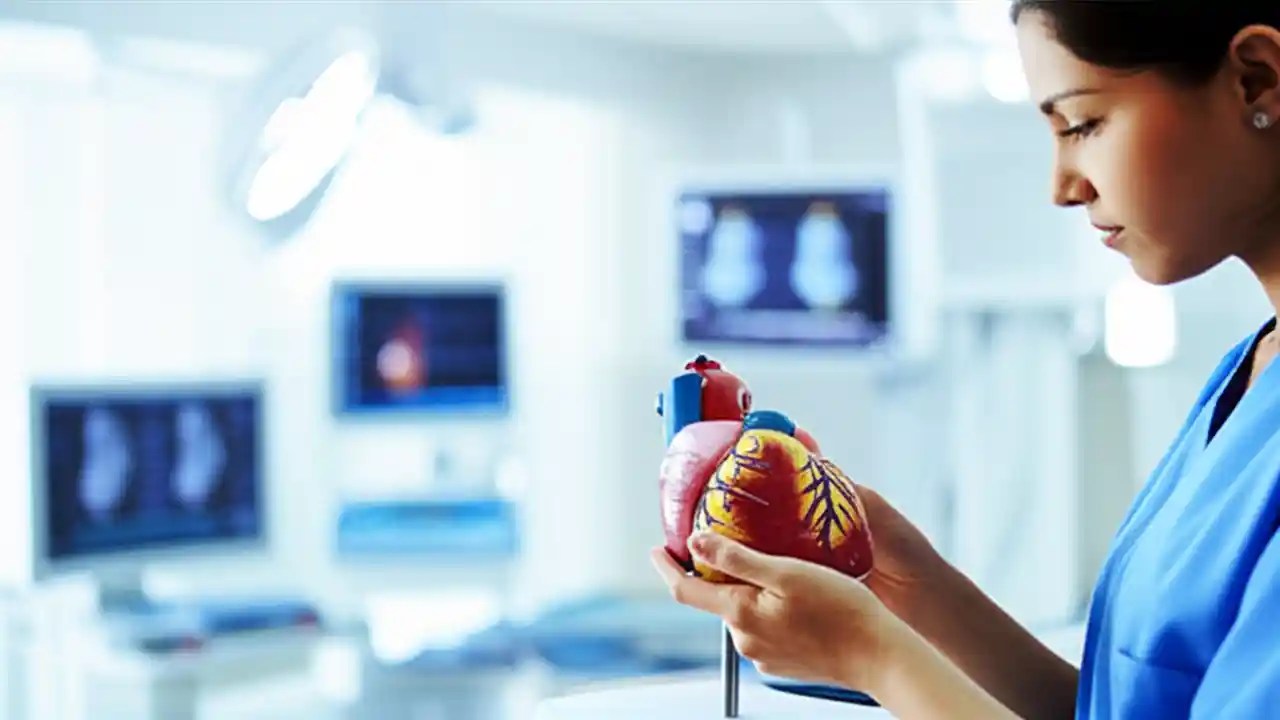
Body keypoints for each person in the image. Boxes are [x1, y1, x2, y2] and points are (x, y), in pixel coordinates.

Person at [651, 3, 1280, 718]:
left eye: (1083, 124)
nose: (1063, 186)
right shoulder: (1249, 373)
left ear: (1257, 81)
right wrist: (910, 585)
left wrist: (869, 651)